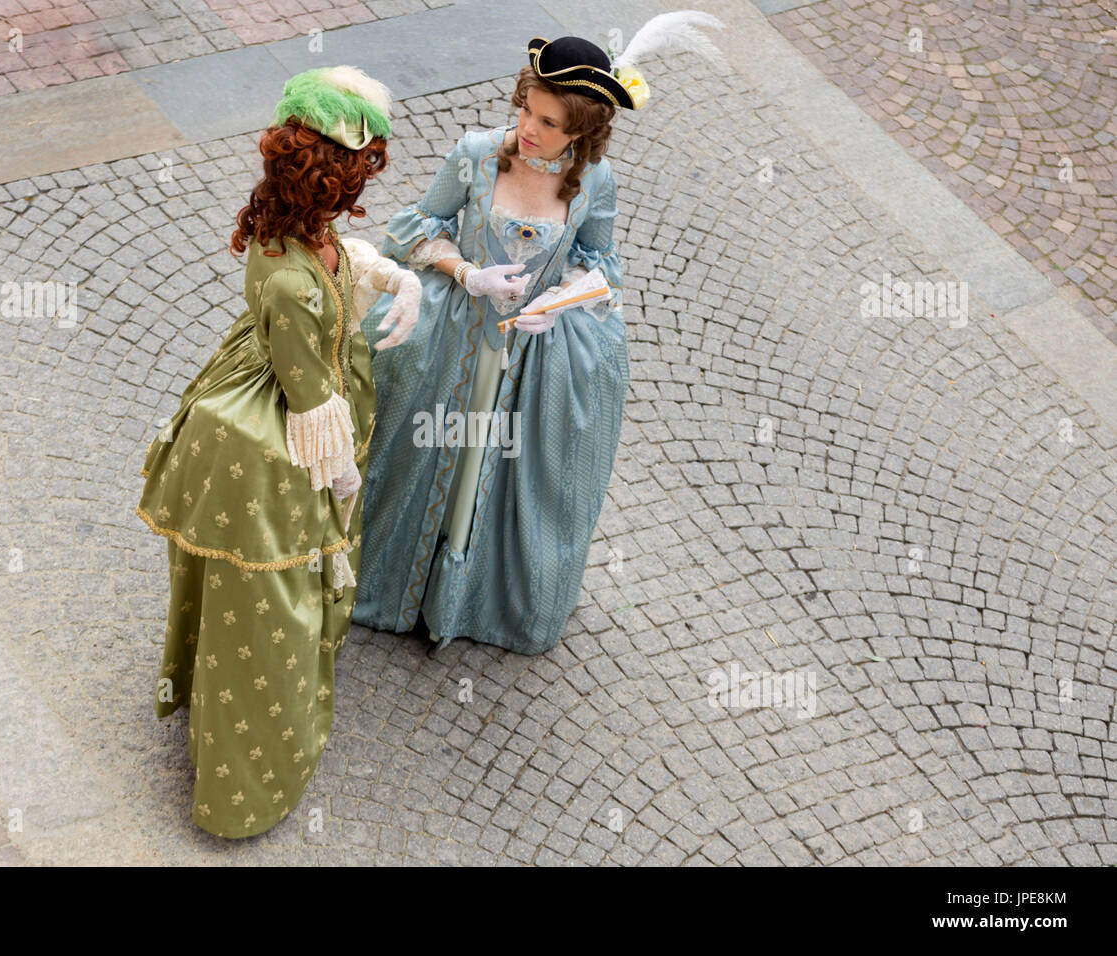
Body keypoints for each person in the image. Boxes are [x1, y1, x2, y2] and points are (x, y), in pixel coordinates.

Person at [353, 16, 722, 655]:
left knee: (507, 470)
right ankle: (392, 589)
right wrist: (466, 272)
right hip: (452, 341)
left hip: (529, 357)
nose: (528, 127)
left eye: (549, 122)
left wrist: (556, 300)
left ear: (581, 131)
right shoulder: (475, 153)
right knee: (418, 450)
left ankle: (467, 604)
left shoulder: (595, 180)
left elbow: (602, 266)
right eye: (527, 108)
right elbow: (414, 227)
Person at [134, 65, 423, 838]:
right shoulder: (290, 280)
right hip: (277, 444)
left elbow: (339, 263)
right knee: (274, 600)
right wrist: (342, 477)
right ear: (330, 181)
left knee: (270, 590)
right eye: (359, 172)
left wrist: (391, 276)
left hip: (291, 394)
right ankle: (245, 781)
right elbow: (310, 398)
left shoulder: (301, 233)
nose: (364, 186)